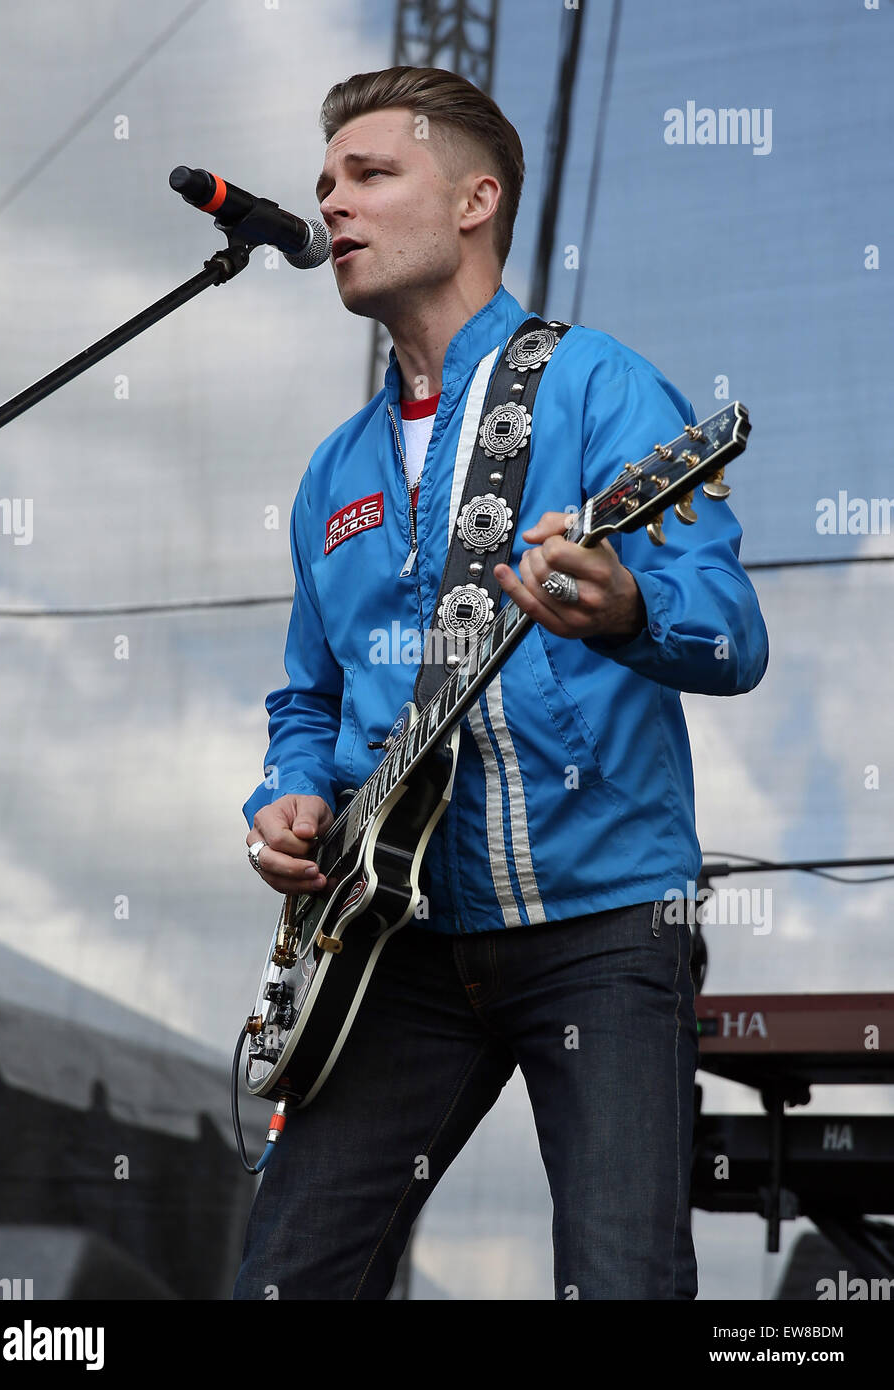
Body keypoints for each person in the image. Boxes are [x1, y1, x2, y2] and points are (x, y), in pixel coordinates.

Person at [233, 65, 768, 1301]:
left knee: (621, 1281)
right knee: (287, 1277)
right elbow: (306, 698)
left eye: (370, 175)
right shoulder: (334, 469)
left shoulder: (600, 387)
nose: (334, 205)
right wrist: (288, 795)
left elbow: (731, 634)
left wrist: (629, 608)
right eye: (325, 183)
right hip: (389, 942)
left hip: (603, 924)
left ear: (475, 200)